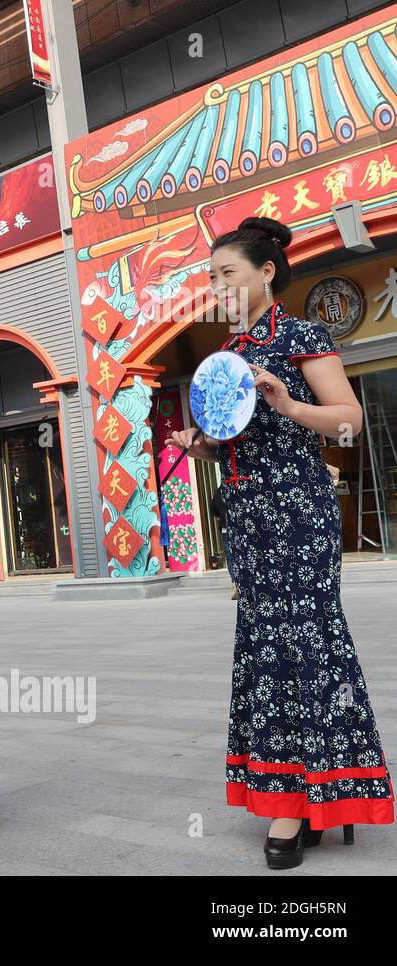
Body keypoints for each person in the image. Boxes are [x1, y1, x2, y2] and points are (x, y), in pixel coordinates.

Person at [166, 216, 393, 870]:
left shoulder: (300, 335)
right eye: (212, 278)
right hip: (246, 516)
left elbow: (347, 419)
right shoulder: (224, 357)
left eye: (228, 274)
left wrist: (289, 405)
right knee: (264, 645)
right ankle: (300, 789)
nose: (219, 287)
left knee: (305, 641)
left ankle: (303, 801)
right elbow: (237, 441)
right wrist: (202, 446)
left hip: (298, 511)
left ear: (266, 273)